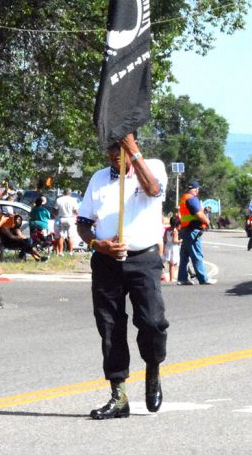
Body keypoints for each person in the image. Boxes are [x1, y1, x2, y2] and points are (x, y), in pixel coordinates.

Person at [77, 134, 169, 420]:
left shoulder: (152, 167)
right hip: (107, 261)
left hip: (143, 259)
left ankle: (152, 367)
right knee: (110, 326)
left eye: (119, 149)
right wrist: (96, 244)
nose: (114, 155)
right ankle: (118, 395)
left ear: (133, 146)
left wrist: (133, 152)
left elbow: (153, 190)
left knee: (152, 322)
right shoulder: (99, 179)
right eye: (110, 150)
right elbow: (83, 223)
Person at [177, 181, 214, 285]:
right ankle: (203, 278)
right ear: (196, 189)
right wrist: (207, 220)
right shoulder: (192, 199)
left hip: (185, 228)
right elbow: (198, 213)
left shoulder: (184, 198)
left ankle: (182, 278)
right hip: (192, 230)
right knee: (197, 254)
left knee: (184, 256)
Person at [55, 188, 79, 254]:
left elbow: (55, 210)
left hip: (62, 218)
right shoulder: (73, 200)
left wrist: (57, 214)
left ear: (63, 193)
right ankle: (71, 252)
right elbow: (76, 211)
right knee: (70, 236)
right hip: (70, 219)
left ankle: (60, 252)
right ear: (70, 193)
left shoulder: (59, 200)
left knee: (62, 236)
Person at [163, 212, 181, 282]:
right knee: (173, 263)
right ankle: (172, 278)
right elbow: (175, 240)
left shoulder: (167, 230)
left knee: (170, 263)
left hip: (168, 246)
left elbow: (164, 239)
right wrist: (180, 241)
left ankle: (171, 277)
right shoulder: (175, 231)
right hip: (174, 247)